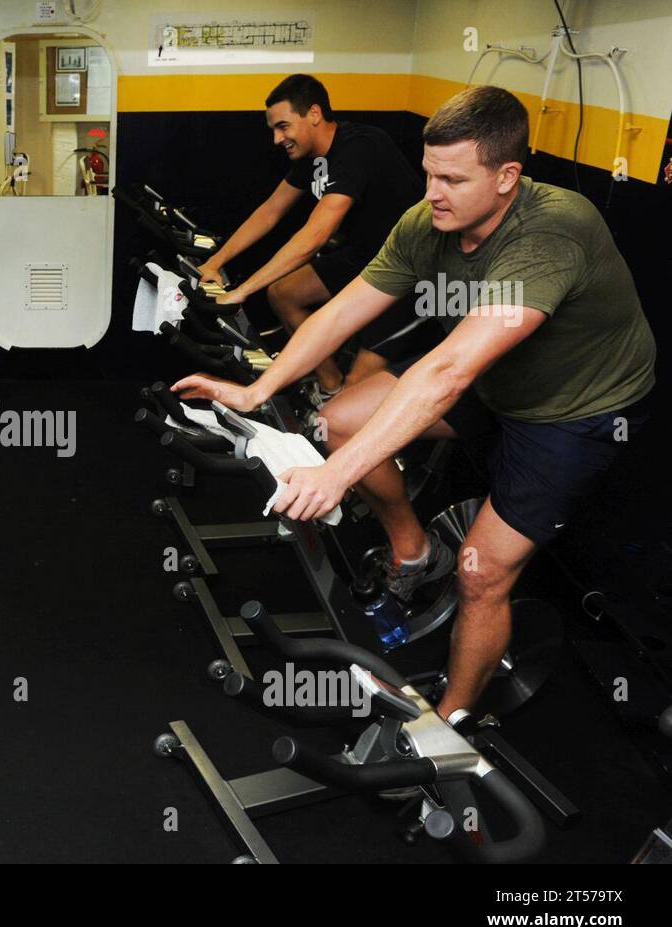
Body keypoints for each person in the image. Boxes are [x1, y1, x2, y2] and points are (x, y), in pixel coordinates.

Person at [175, 86, 655, 722]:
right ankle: (413, 550)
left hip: (574, 410)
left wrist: (334, 479)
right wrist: (254, 390)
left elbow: (450, 369)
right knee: (337, 419)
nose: (433, 193)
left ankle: (448, 725)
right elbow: (345, 308)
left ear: (508, 175)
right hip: (498, 378)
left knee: (481, 574)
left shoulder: (553, 231)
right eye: (430, 173)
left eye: (453, 179)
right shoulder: (427, 221)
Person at [198, 74, 428, 400]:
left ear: (314, 114)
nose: (278, 139)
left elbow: (316, 235)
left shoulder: (361, 146)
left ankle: (343, 403)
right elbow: (270, 211)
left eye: (283, 126)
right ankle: (329, 387)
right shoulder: (313, 158)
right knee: (283, 293)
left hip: (410, 274)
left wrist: (242, 291)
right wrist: (215, 262)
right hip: (367, 257)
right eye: (274, 130)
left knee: (359, 384)